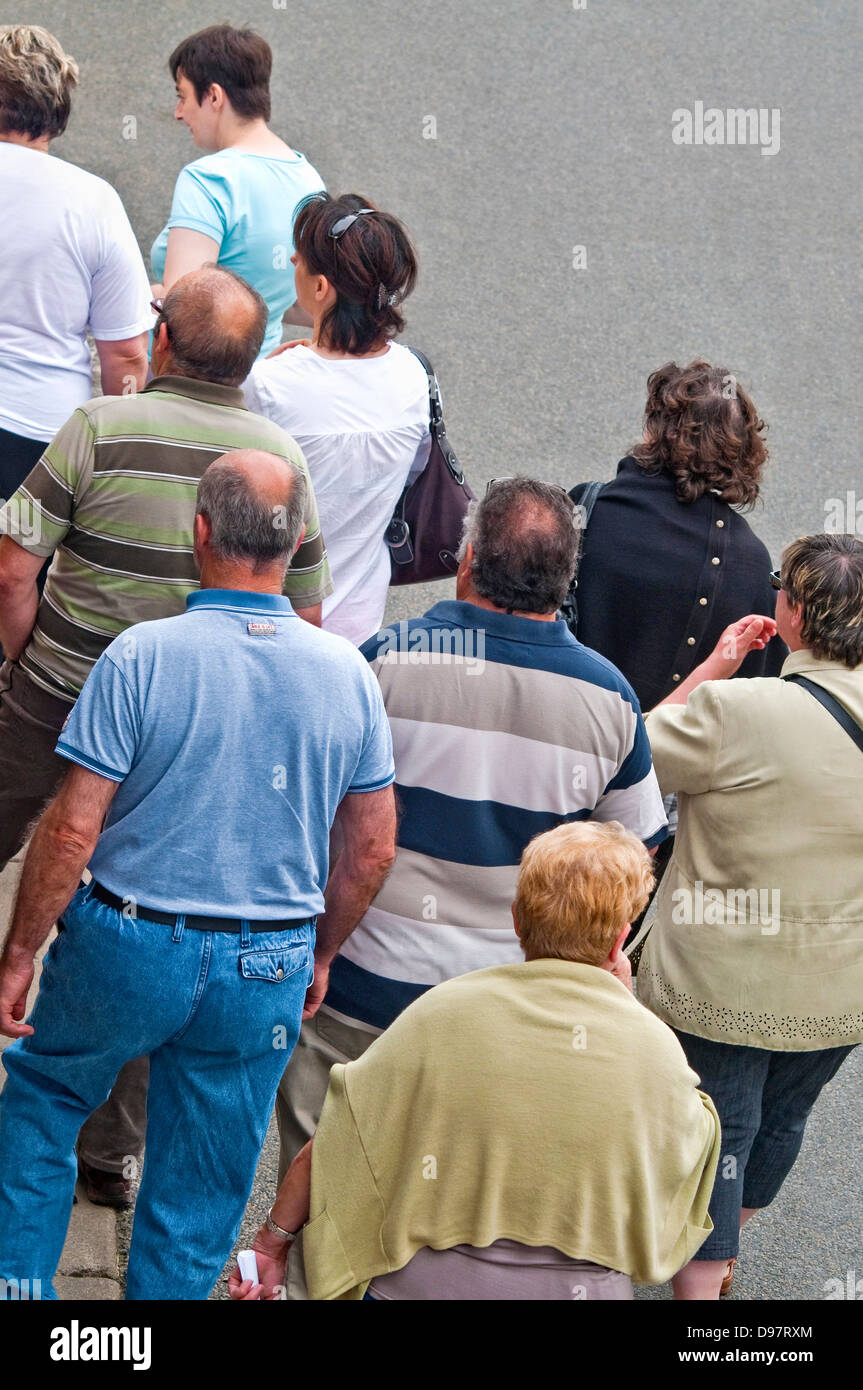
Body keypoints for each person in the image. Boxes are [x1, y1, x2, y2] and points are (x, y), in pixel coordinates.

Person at [0, 451, 397, 1301]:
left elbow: (73, 829)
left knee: (42, 1101)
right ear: (293, 546)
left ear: (201, 534)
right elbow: (371, 851)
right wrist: (319, 955)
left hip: (127, 942)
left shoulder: (141, 656)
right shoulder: (347, 677)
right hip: (266, 961)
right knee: (201, 1179)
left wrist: (21, 951)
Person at [275, 477, 668, 1294]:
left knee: (328, 1172)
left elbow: (313, 819)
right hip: (508, 1018)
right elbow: (638, 857)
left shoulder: (382, 664)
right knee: (449, 1194)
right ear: (567, 580)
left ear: (466, 565)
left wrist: (312, 949)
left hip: (359, 987)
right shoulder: (609, 701)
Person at [0, 266, 331, 1205]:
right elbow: (302, 621)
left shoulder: (101, 426)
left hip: (57, 696)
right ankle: (109, 1155)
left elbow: (12, 571)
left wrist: (30, 667)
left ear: (165, 345)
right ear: (251, 359)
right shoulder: (278, 463)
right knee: (148, 910)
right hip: (183, 733)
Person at [230, 822, 720, 1301]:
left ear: (516, 919)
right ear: (620, 941)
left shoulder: (440, 1013)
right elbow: (689, 1154)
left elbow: (338, 1137)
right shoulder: (654, 1050)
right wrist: (627, 1008)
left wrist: (273, 1241)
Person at [638, 533, 863, 1299]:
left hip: (720, 980)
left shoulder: (735, 710)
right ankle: (722, 1258)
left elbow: (626, 757)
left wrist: (714, 669)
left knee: (714, 1139)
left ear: (793, 613)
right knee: (778, 1124)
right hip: (841, 989)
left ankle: (703, 1295)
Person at [244, 193, 430, 645]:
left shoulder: (270, 384)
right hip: (359, 627)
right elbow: (416, 472)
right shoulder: (414, 376)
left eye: (301, 256)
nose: (291, 258)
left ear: (322, 288)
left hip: (269, 621)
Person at [570, 360, 786, 712]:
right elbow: (753, 698)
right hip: (666, 763)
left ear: (656, 431)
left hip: (557, 736)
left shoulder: (588, 507)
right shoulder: (752, 562)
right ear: (742, 451)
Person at [0, 24, 150, 504]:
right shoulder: (92, 200)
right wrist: (119, 456)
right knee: (31, 577)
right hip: (42, 438)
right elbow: (126, 355)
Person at [150, 24, 325, 356]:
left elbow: (184, 310)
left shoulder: (209, 179)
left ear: (214, 96)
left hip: (194, 388)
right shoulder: (310, 181)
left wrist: (142, 294)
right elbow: (281, 295)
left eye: (182, 96)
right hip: (259, 384)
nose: (178, 113)